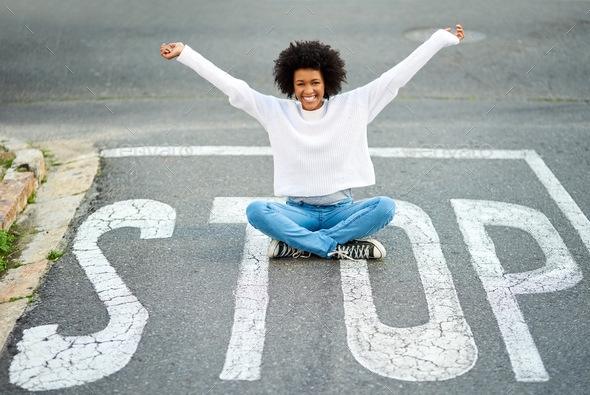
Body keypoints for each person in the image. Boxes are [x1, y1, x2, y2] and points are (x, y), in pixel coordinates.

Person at [161, 25, 465, 260]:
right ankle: (335, 247)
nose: (309, 90)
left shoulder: (354, 106)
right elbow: (235, 88)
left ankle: (300, 246)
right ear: (290, 86)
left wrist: (440, 39)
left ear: (327, 82)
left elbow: (395, 77)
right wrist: (186, 54)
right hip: (299, 212)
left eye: (315, 83)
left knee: (384, 208)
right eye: (301, 84)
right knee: (256, 210)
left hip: (341, 210)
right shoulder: (276, 112)